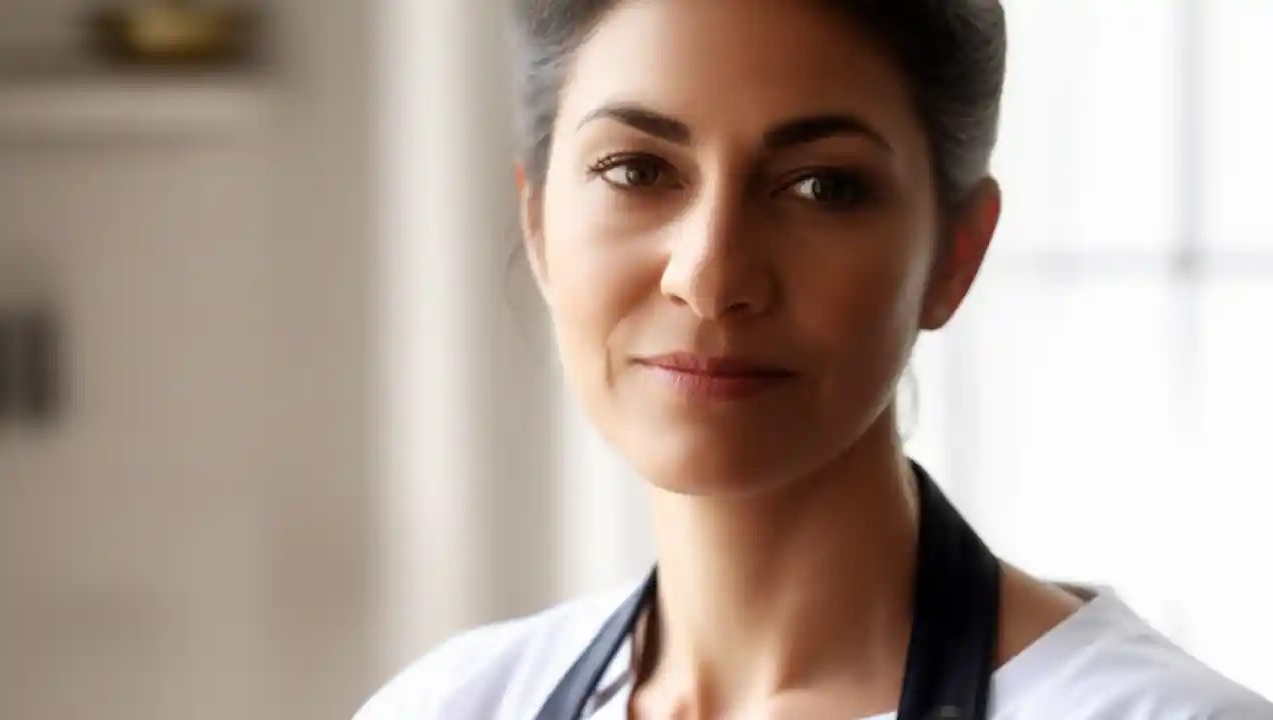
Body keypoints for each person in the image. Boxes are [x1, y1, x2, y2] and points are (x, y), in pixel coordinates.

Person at [356, 0, 1273, 717]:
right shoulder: (448, 706)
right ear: (539, 225)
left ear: (955, 255)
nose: (710, 277)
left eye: (821, 186)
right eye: (637, 170)